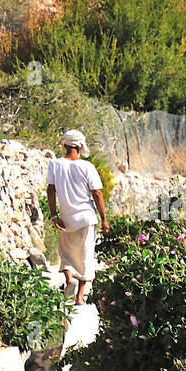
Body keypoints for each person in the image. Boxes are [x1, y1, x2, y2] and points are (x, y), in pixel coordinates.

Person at [46, 129, 108, 304]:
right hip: (87, 218)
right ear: (80, 146)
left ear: (65, 145)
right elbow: (97, 193)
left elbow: (51, 190)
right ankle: (80, 297)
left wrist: (53, 215)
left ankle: (69, 280)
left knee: (66, 254)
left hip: (67, 219)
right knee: (85, 255)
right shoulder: (87, 166)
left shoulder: (55, 165)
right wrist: (104, 219)